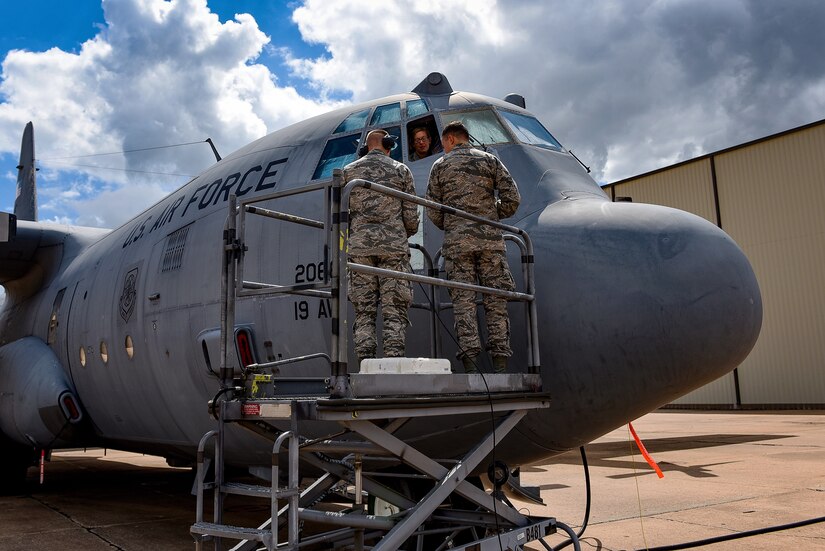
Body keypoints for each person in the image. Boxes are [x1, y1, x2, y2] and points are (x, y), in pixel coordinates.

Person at [426, 121, 521, 373]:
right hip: (491, 244)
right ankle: (500, 366)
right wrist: (490, 217)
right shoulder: (490, 161)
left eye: (444, 143)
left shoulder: (440, 166)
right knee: (495, 304)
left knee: (464, 305)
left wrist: (453, 224)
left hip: (457, 247)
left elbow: (432, 209)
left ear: (451, 140)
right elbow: (513, 199)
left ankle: (471, 368)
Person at [343, 129, 419, 364]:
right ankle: (393, 363)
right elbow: (411, 219)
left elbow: (340, 216)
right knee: (394, 310)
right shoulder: (400, 170)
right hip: (393, 249)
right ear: (387, 145)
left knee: (364, 312)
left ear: (366, 147)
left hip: (359, 250)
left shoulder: (348, 172)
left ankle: (366, 364)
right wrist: (396, 234)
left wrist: (359, 234)